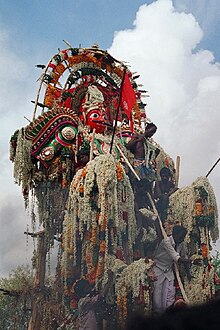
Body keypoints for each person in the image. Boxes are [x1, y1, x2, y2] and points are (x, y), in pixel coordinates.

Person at [152, 224, 191, 314]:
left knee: (170, 293)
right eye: (182, 236)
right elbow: (178, 258)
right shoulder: (166, 242)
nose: (183, 239)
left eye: (184, 237)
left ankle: (168, 315)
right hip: (158, 269)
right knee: (157, 296)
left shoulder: (181, 243)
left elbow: (184, 256)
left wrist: (188, 273)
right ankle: (158, 316)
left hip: (168, 271)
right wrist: (192, 261)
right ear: (175, 234)